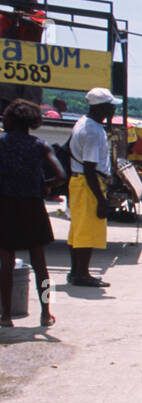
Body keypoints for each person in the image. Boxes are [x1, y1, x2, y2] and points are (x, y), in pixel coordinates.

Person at [0, 99, 64, 327]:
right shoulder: (40, 145)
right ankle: (46, 312)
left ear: (12, 119)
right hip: (33, 206)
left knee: (5, 262)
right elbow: (60, 175)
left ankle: (6, 315)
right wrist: (44, 185)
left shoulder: (2, 142)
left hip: (5, 205)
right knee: (40, 265)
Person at [65, 87, 120, 288]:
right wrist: (101, 199)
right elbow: (89, 168)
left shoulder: (84, 123)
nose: (113, 110)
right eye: (111, 107)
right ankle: (82, 274)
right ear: (103, 108)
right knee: (86, 232)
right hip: (88, 183)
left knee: (78, 231)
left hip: (78, 181)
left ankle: (75, 272)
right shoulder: (92, 131)